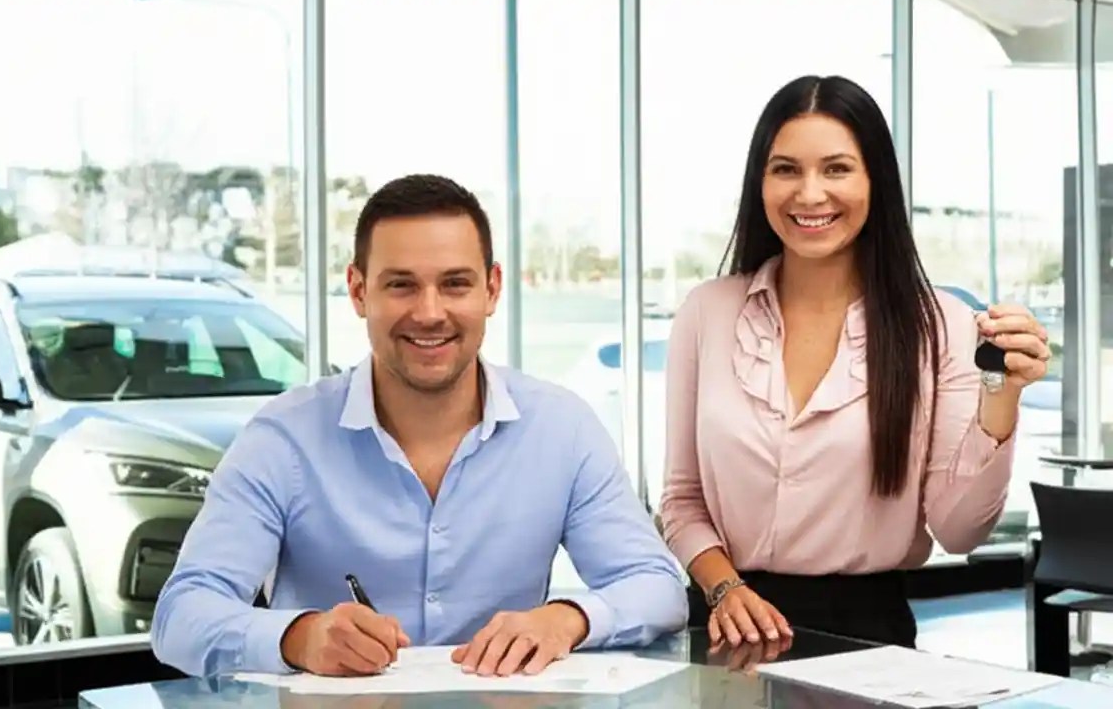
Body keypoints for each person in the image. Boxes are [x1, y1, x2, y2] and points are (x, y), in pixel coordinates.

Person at [152, 173, 687, 678]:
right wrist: (299, 637)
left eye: (455, 284)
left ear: (492, 289)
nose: (430, 313)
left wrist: (566, 619)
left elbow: (656, 585)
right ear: (359, 292)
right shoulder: (283, 438)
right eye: (401, 286)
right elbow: (182, 615)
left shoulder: (561, 428)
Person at [658, 75, 1051, 651]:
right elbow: (681, 498)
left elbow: (959, 530)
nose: (810, 194)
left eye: (837, 169)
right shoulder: (706, 313)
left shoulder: (940, 325)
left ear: (876, 182)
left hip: (869, 635)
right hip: (726, 628)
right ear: (760, 183)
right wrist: (723, 588)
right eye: (786, 169)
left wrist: (1003, 394)